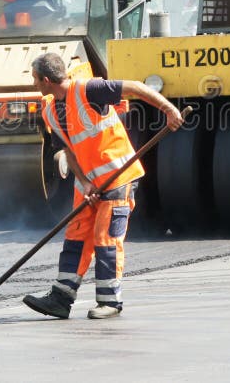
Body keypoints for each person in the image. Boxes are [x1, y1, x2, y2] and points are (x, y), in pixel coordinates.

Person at [23, 53, 183, 320]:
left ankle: (110, 302)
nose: (34, 84)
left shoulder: (90, 90)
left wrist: (169, 110)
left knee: (105, 239)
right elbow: (68, 151)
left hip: (118, 178)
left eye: (35, 79)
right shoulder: (50, 110)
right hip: (88, 184)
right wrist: (85, 183)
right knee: (75, 236)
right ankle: (61, 299)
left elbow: (136, 87)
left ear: (47, 80)